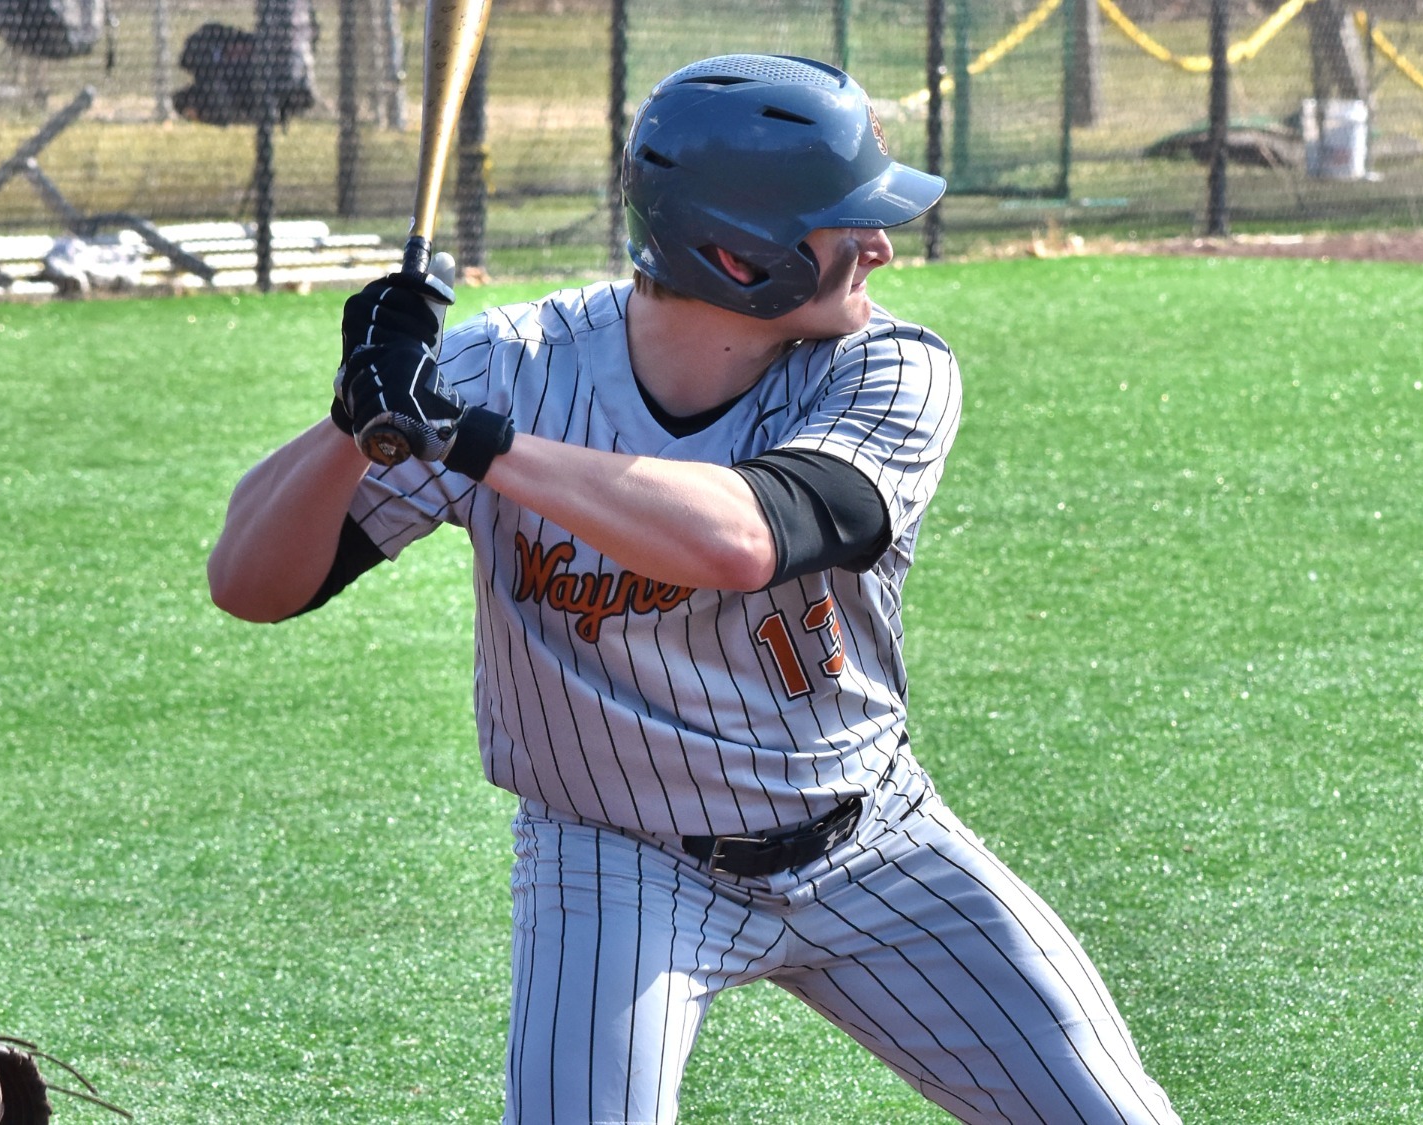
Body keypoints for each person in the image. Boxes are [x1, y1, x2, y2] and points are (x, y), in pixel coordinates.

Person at [208, 53, 1180, 1125]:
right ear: (740, 256)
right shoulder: (514, 368)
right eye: (850, 224)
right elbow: (249, 582)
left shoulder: (888, 368)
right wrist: (353, 419)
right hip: (615, 863)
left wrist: (471, 440)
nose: (884, 247)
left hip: (872, 841)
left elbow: (743, 538)